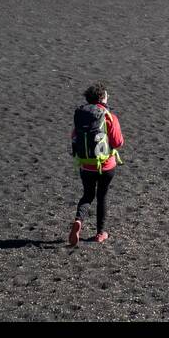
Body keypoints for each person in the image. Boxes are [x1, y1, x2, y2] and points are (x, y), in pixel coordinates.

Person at [68, 82, 124, 246]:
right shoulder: (108, 116)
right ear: (103, 97)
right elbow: (118, 142)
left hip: (86, 165)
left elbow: (74, 138)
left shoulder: (81, 117)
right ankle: (100, 233)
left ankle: (79, 219)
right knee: (102, 196)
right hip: (106, 166)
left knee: (87, 195)